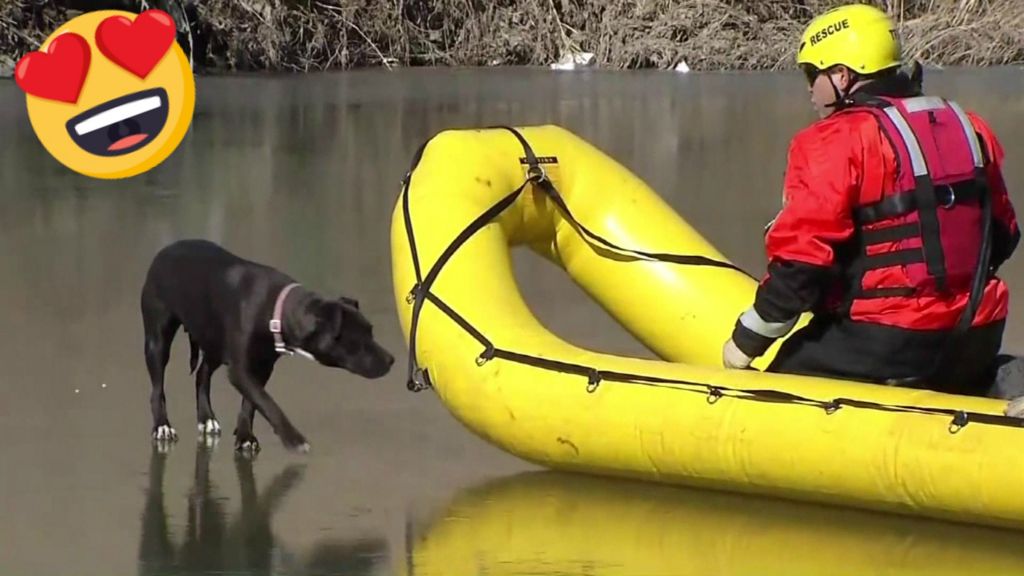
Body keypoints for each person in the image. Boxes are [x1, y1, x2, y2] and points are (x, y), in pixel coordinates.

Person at [720, 3, 1024, 413]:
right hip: (976, 333)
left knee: (773, 394)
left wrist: (744, 344)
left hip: (885, 344)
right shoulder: (967, 126)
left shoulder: (834, 142)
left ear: (842, 76)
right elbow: (1003, 237)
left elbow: (800, 268)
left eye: (814, 75)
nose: (811, 90)